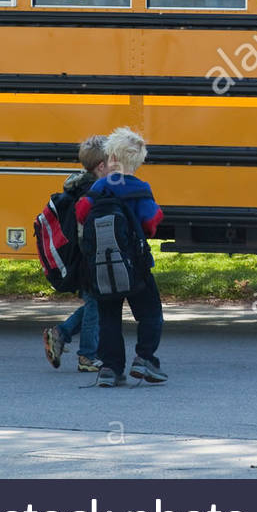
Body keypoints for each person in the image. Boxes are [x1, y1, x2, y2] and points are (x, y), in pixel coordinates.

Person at [75, 127, 167, 387]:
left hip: (102, 267)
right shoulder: (140, 188)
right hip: (135, 266)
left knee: (108, 317)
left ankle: (110, 369)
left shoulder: (100, 185)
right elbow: (151, 222)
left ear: (110, 157)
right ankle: (144, 359)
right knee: (150, 313)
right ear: (137, 162)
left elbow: (82, 213)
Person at [42, 135, 108, 372]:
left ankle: (61, 333)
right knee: (95, 305)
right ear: (102, 166)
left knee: (96, 303)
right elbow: (85, 232)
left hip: (81, 259)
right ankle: (87, 356)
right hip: (87, 259)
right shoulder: (90, 191)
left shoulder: (80, 184)